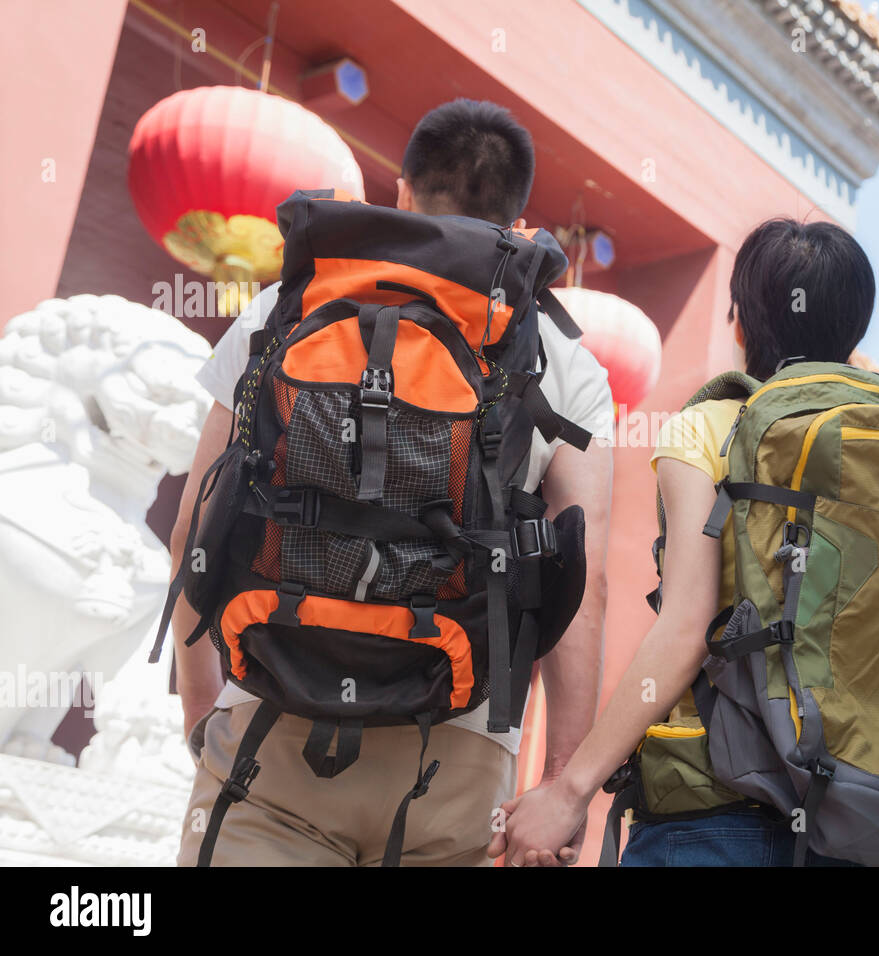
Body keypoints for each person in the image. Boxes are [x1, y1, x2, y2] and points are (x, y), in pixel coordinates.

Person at [170, 99, 614, 866]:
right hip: (456, 748)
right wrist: (560, 785)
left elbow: (199, 519)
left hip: (273, 714)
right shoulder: (560, 357)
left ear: (404, 189)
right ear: (518, 213)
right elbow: (586, 582)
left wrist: (201, 702)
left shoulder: (287, 306)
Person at [490, 217, 876, 867]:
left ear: (740, 323)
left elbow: (687, 626)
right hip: (860, 819)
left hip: (714, 809)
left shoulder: (713, 427)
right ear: (855, 332)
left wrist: (569, 790)